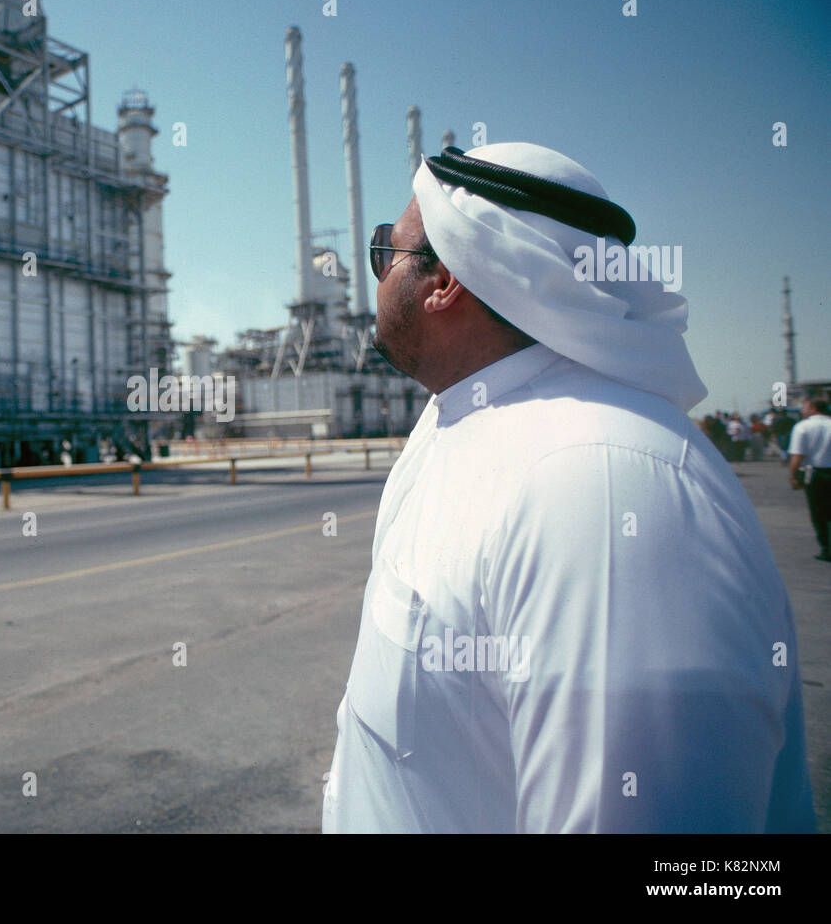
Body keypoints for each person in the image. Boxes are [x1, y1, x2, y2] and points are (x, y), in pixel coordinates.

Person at [322, 142, 814, 833]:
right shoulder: (456, 416)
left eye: (386, 251)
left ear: (444, 281)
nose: (376, 274)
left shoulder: (605, 488)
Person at [788, 396, 831, 562]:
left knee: (818, 512)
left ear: (813, 408)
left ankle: (826, 548)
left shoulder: (803, 427)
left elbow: (797, 456)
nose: (801, 410)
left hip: (814, 474)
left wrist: (793, 476)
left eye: (804, 407)